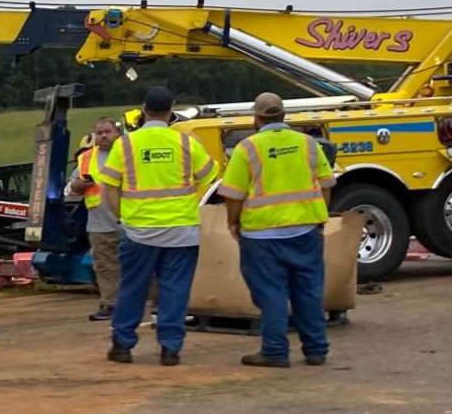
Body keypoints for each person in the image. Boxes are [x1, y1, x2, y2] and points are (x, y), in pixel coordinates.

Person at [95, 86, 217, 366]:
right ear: (171, 109)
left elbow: (109, 188)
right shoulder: (186, 142)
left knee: (132, 288)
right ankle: (170, 349)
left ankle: (123, 345)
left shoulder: (126, 144)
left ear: (143, 109)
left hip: (139, 230)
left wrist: (122, 217)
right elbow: (210, 176)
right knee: (175, 290)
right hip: (182, 231)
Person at [217, 92, 336, 368]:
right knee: (308, 291)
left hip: (262, 236)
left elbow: (233, 196)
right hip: (305, 231)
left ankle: (274, 351)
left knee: (271, 294)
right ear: (283, 115)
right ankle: (316, 350)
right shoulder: (308, 144)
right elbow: (327, 185)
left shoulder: (247, 148)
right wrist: (319, 215)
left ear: (256, 119)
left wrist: (233, 223)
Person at [69, 117, 155, 323]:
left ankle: (158, 303)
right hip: (100, 223)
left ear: (117, 133)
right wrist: (80, 185)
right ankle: (110, 303)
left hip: (133, 220)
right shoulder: (86, 158)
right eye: (99, 133)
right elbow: (71, 188)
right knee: (105, 266)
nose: (103, 136)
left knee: (145, 263)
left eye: (107, 132)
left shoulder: (130, 155)